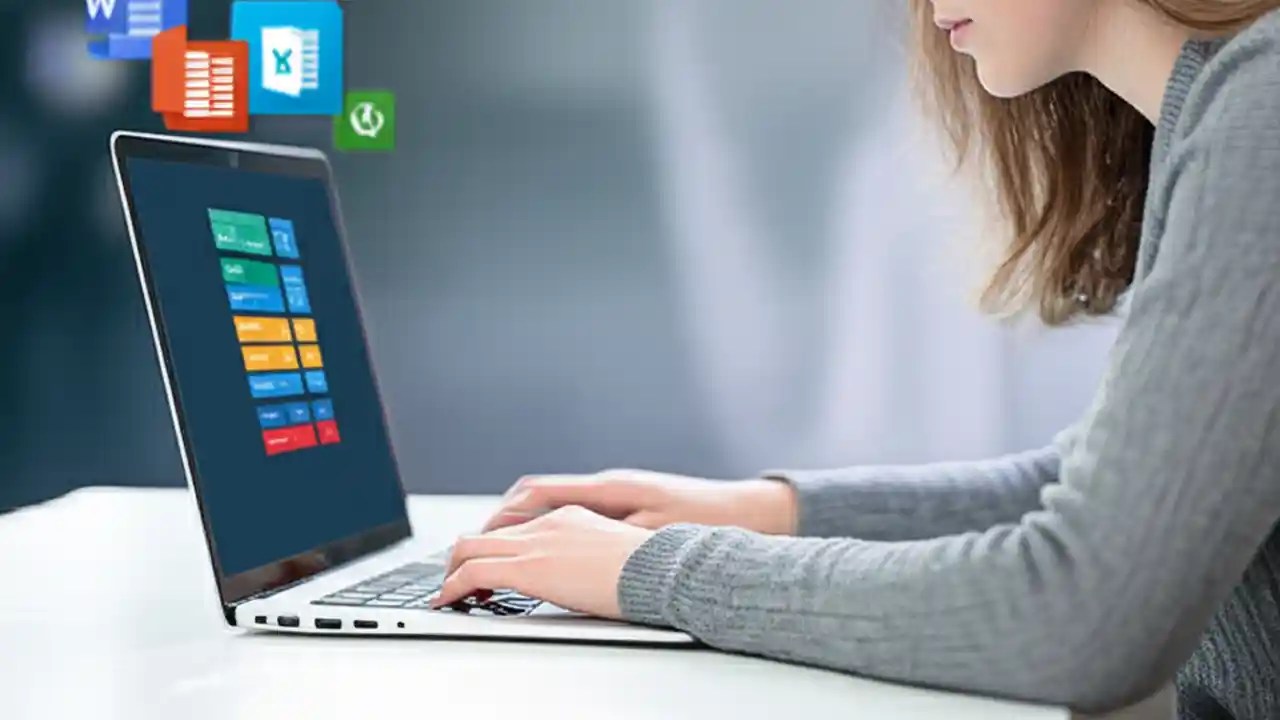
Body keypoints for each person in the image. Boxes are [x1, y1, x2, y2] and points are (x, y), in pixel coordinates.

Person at [431, 1, 1280, 717]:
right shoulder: (1219, 107)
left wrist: (655, 573)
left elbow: (1086, 610)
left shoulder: (1262, 109)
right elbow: (1108, 496)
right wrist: (762, 511)